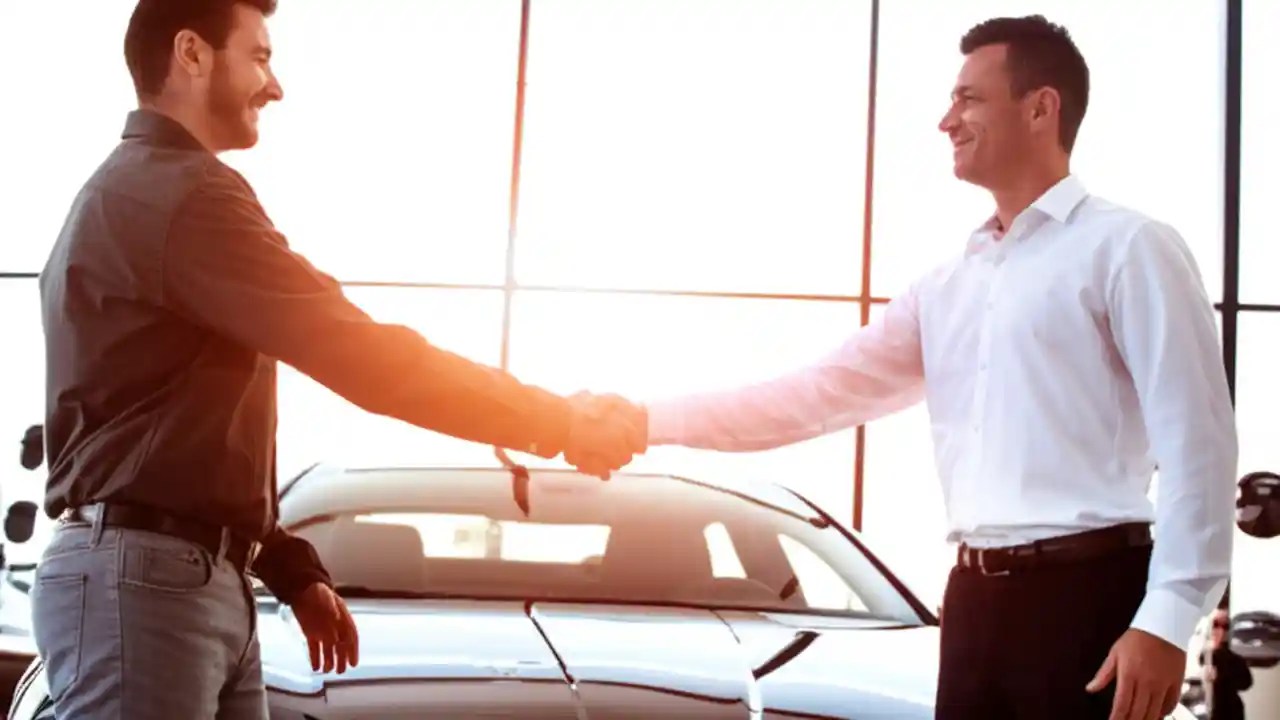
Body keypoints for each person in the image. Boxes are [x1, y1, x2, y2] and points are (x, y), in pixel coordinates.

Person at [590, 14, 1238, 720]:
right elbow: (811, 396)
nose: (945, 121)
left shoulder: (1130, 248)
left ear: (1040, 108)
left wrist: (1167, 619)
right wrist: (643, 421)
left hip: (1092, 602)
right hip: (973, 608)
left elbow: (1198, 444)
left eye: (968, 99)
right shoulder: (946, 287)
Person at [33, 1, 635, 718]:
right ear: (191, 54)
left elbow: (168, 437)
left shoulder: (134, 196)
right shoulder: (180, 196)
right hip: (150, 589)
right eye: (260, 57)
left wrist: (284, 566)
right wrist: (560, 422)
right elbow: (361, 354)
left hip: (176, 583)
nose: (275, 86)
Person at [1200, 609, 1252, 720]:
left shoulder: (1235, 658)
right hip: (1208, 709)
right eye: (1216, 625)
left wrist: (1221, 675)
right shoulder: (1204, 655)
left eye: (1225, 626)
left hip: (1230, 712)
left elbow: (1246, 682)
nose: (1221, 630)